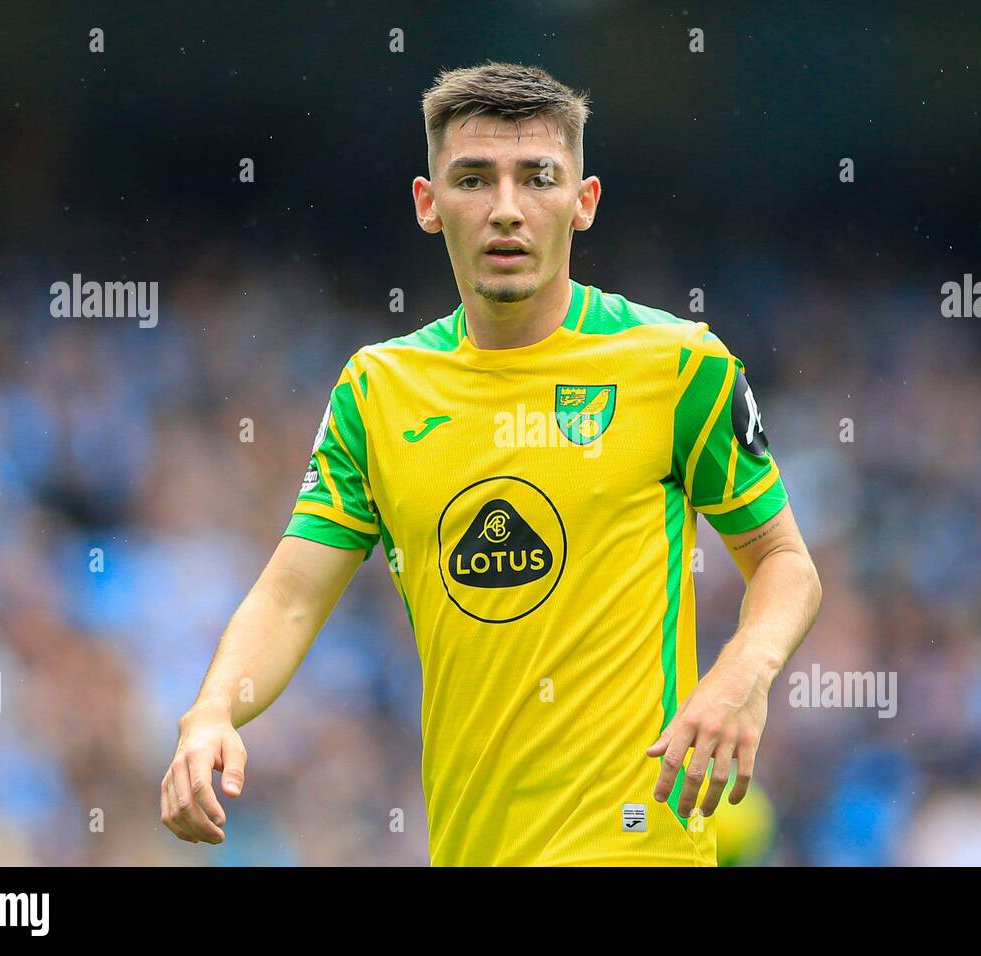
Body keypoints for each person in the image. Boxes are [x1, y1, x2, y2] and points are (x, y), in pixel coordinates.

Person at [161, 60, 822, 866]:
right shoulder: (377, 391)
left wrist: (742, 673)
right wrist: (210, 712)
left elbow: (785, 562)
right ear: (429, 204)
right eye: (474, 179)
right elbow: (292, 596)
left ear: (583, 203)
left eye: (537, 177)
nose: (507, 209)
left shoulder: (680, 366)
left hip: (635, 842)